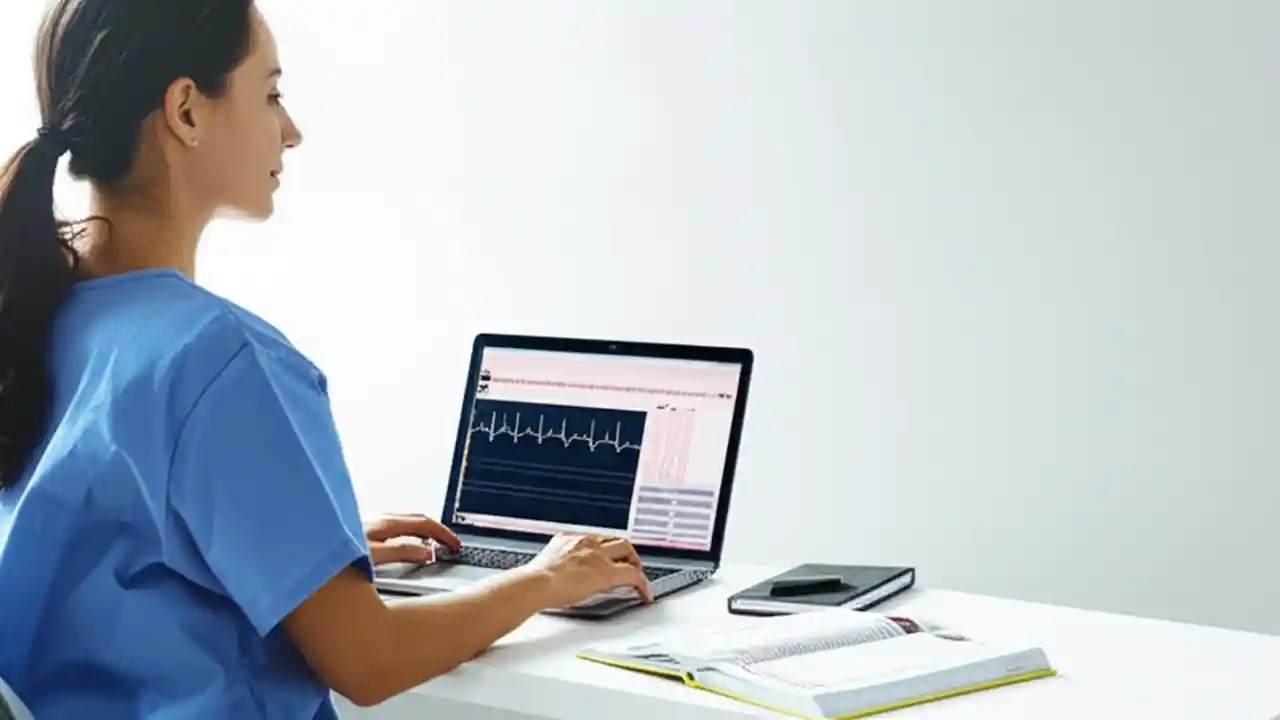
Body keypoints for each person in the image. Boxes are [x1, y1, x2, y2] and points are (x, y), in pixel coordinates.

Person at [0, 2, 652, 718]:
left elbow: (97, 566)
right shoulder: (219, 358)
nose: (291, 130)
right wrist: (547, 578)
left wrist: (302, 555)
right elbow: (369, 660)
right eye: (271, 93)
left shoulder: (38, 318)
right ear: (186, 111)